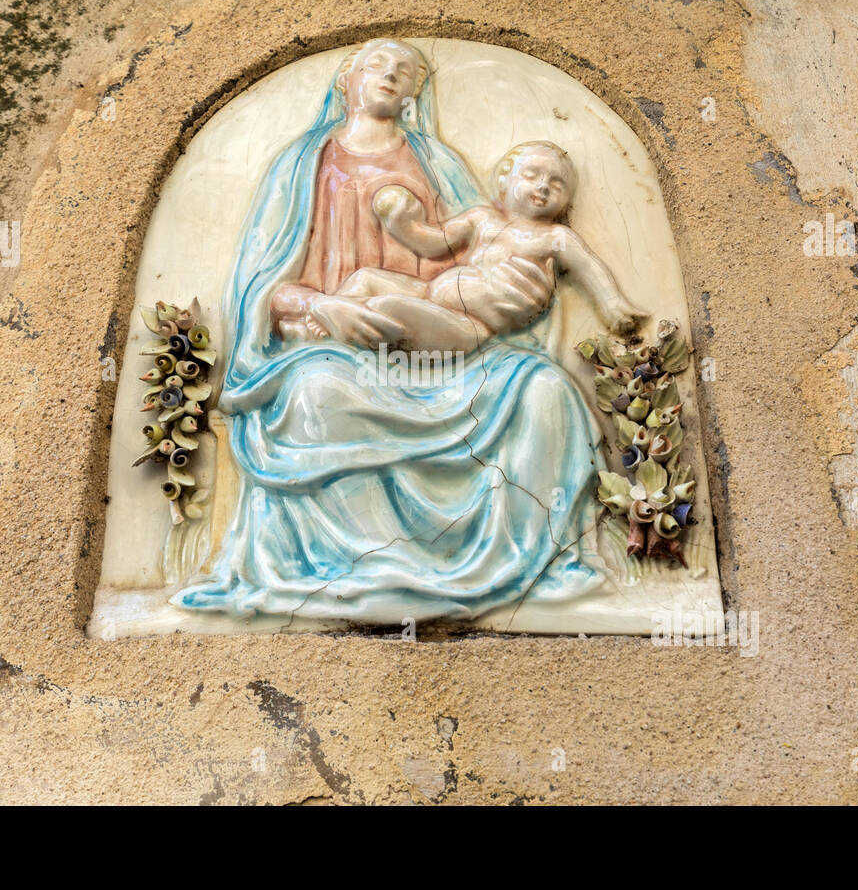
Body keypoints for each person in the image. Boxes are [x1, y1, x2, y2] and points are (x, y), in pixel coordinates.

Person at [170, 39, 611, 623]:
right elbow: (258, 285)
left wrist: (518, 300)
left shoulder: (439, 164)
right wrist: (325, 309)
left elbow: (486, 258)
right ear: (345, 80)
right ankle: (380, 566)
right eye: (377, 63)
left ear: (414, 95)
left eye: (407, 70)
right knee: (315, 391)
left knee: (545, 389)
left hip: (445, 345)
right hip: (335, 345)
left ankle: (525, 560)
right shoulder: (301, 165)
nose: (392, 74)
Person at [330, 140, 646, 351]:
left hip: (470, 326)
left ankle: (354, 338)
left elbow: (589, 269)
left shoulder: (555, 238)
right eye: (533, 175)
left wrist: (614, 306)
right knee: (363, 280)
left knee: (386, 309)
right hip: (431, 295)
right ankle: (324, 330)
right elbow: (432, 243)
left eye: (556, 184)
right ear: (505, 180)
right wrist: (402, 223)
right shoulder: (481, 218)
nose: (542, 187)